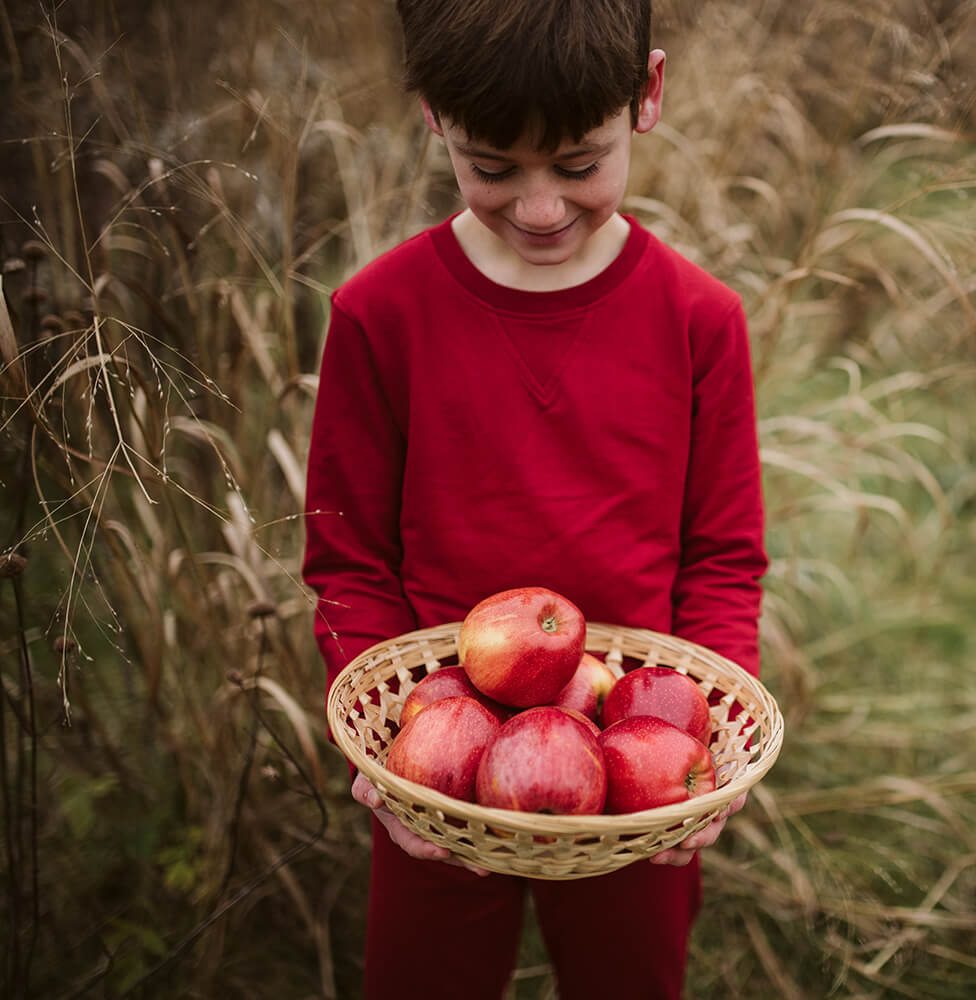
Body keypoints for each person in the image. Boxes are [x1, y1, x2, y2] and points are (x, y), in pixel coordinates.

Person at [300, 0, 768, 996]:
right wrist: (386, 745)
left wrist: (706, 739)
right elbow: (348, 561)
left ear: (646, 94)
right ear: (433, 114)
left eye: (579, 164)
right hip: (440, 758)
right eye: (494, 167)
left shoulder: (701, 321)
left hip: (636, 763)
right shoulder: (380, 314)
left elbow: (724, 558)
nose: (542, 207)